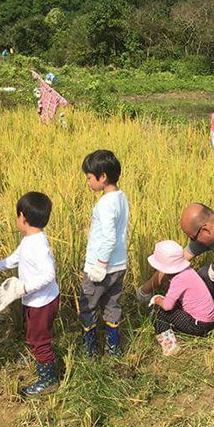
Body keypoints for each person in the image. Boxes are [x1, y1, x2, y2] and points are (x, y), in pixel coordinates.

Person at [0, 192, 60, 396]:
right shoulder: (30, 239)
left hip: (42, 302)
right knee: (34, 334)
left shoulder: (39, 245)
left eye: (17, 216)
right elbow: (16, 258)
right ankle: (41, 360)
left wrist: (22, 288)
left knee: (38, 339)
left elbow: (49, 275)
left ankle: (48, 380)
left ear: (23, 217)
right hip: (35, 301)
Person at [79, 150, 129, 357]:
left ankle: (89, 352)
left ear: (103, 177)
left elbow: (108, 238)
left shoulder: (105, 204)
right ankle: (113, 349)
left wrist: (99, 265)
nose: (88, 182)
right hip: (119, 265)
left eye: (90, 178)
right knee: (111, 304)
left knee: (88, 306)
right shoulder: (120, 197)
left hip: (102, 268)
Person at [141, 240, 214, 356]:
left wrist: (156, 299)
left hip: (198, 326)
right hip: (210, 322)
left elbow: (167, 306)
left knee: (157, 310)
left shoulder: (178, 279)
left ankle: (169, 346)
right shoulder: (188, 271)